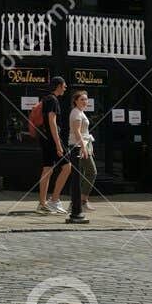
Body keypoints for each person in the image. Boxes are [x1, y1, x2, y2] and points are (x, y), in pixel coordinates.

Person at [34, 75, 71, 214]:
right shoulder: (53, 100)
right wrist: (58, 144)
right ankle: (54, 200)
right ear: (59, 86)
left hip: (45, 138)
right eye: (64, 85)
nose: (66, 88)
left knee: (47, 169)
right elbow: (52, 122)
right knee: (67, 167)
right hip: (52, 139)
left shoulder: (46, 99)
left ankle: (43, 203)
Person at [68, 88, 97, 224]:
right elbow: (77, 131)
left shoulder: (80, 112)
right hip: (78, 146)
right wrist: (84, 147)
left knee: (83, 173)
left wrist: (88, 146)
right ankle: (81, 201)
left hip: (84, 144)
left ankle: (77, 202)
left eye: (86, 99)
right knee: (91, 172)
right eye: (82, 99)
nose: (85, 101)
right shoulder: (76, 113)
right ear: (75, 101)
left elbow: (84, 132)